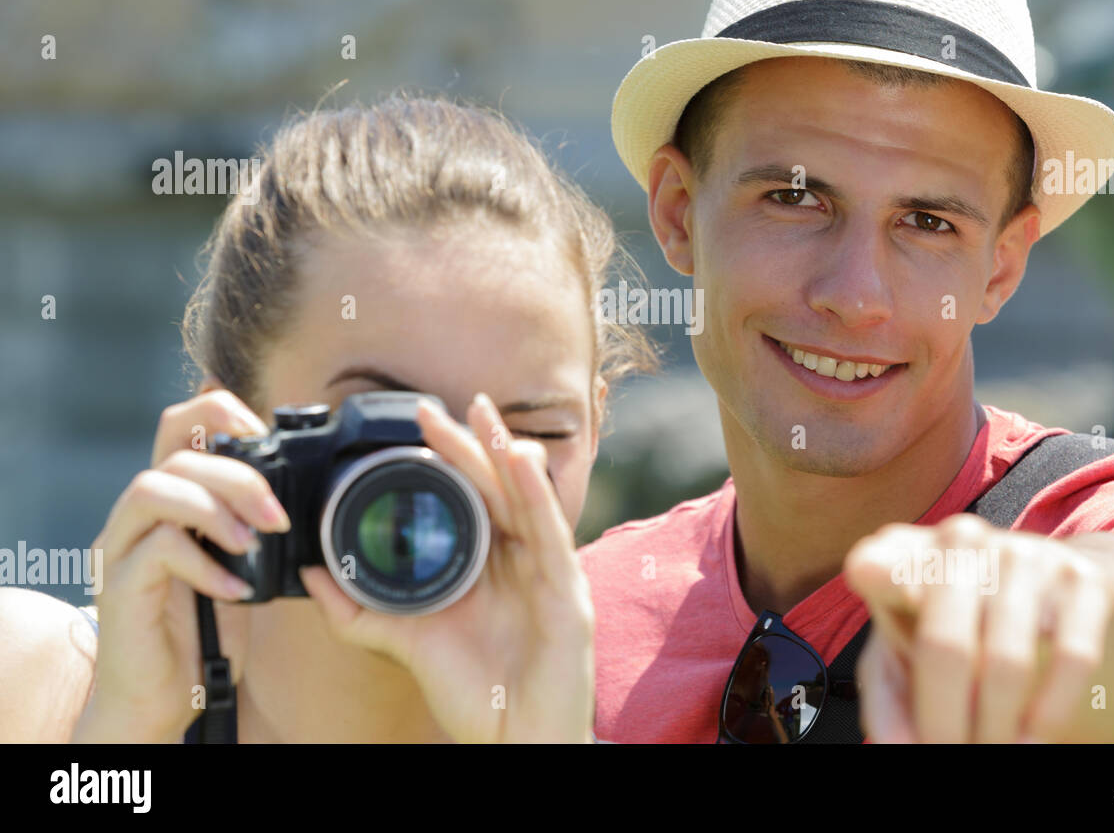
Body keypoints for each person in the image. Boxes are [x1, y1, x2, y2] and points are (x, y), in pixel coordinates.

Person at [580, 0, 1114, 743]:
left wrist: (1065, 635)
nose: (854, 295)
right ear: (676, 212)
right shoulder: (573, 623)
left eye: (926, 223)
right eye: (795, 199)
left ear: (1002, 265)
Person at [1, 93, 657, 742]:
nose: (453, 481)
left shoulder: (660, 717)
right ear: (231, 435)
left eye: (532, 435)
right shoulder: (35, 686)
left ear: (596, 430)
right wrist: (124, 737)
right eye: (384, 428)